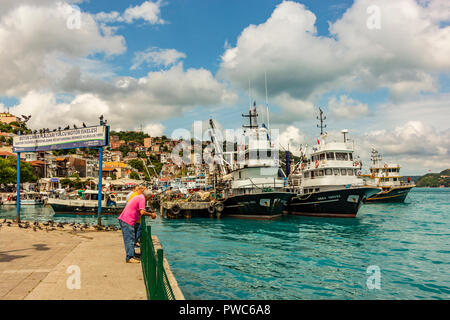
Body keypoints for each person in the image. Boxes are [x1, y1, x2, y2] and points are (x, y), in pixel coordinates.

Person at [118, 189, 157, 263]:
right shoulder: (142, 198)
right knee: (129, 239)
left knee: (131, 238)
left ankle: (132, 254)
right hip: (127, 220)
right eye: (150, 197)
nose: (150, 199)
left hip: (126, 219)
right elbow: (142, 212)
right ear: (148, 196)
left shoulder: (139, 197)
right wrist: (151, 214)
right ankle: (129, 257)